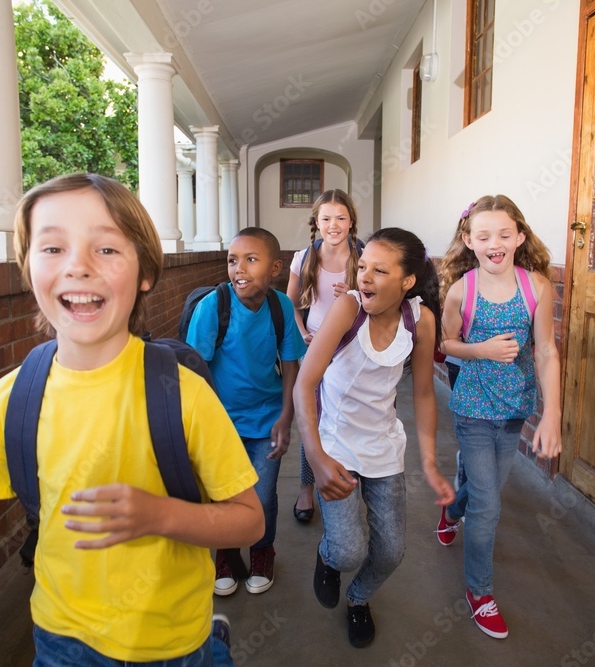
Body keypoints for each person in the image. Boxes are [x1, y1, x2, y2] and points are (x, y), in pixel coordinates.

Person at [0, 174, 263, 667]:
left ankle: (214, 639)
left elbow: (248, 520)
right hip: (61, 641)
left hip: (176, 645)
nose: (77, 266)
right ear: (27, 268)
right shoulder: (11, 401)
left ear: (145, 271)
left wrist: (161, 516)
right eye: (52, 248)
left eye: (106, 250)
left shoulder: (183, 395)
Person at [294, 227, 456, 649]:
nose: (364, 277)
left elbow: (423, 393)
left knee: (390, 552)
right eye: (362, 266)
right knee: (347, 550)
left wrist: (430, 463)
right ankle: (328, 558)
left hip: (383, 446)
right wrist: (315, 454)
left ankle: (359, 598)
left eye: (379, 270)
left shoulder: (419, 320)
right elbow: (304, 383)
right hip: (336, 444)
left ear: (406, 282)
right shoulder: (348, 309)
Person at [435, 195, 562, 640]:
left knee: (483, 490)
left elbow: (545, 350)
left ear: (519, 237)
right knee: (489, 505)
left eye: (504, 235)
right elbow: (446, 344)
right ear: (468, 240)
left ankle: (452, 509)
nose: (495, 243)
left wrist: (552, 417)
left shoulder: (537, 287)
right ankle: (480, 592)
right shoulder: (460, 290)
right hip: (472, 407)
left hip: (514, 410)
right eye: (484, 235)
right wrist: (481, 350)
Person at [187, 227, 307, 597]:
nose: (239, 268)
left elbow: (290, 366)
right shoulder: (214, 307)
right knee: (224, 493)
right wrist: (205, 428)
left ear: (276, 268)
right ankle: (225, 553)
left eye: (251, 260)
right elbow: (195, 373)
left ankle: (261, 550)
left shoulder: (280, 307)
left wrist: (286, 417)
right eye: (232, 260)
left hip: (267, 418)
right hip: (221, 422)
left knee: (263, 495)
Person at [286, 189, 362, 524]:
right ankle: (307, 487)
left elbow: (378, 301)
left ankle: (351, 480)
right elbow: (290, 304)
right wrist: (303, 332)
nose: (334, 224)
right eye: (327, 218)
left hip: (354, 349)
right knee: (313, 421)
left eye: (341, 218)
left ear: (351, 222)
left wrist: (354, 292)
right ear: (316, 222)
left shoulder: (363, 256)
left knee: (349, 417)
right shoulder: (304, 257)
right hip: (315, 349)